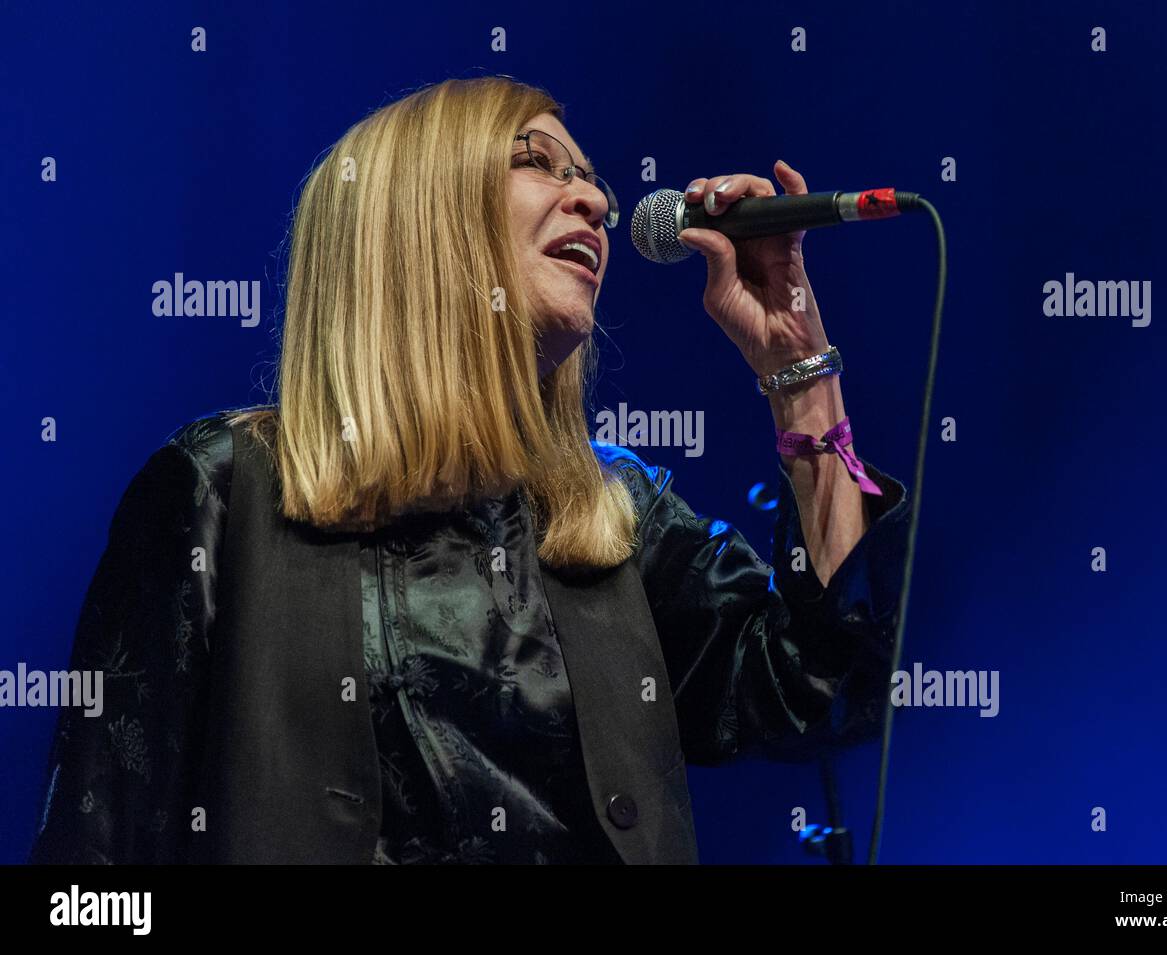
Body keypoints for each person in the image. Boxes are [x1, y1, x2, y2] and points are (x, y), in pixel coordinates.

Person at [27, 75, 910, 865]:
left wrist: (799, 372)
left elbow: (824, 687)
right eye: (541, 162)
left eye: (592, 178)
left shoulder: (610, 512)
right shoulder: (223, 494)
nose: (597, 201)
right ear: (415, 215)